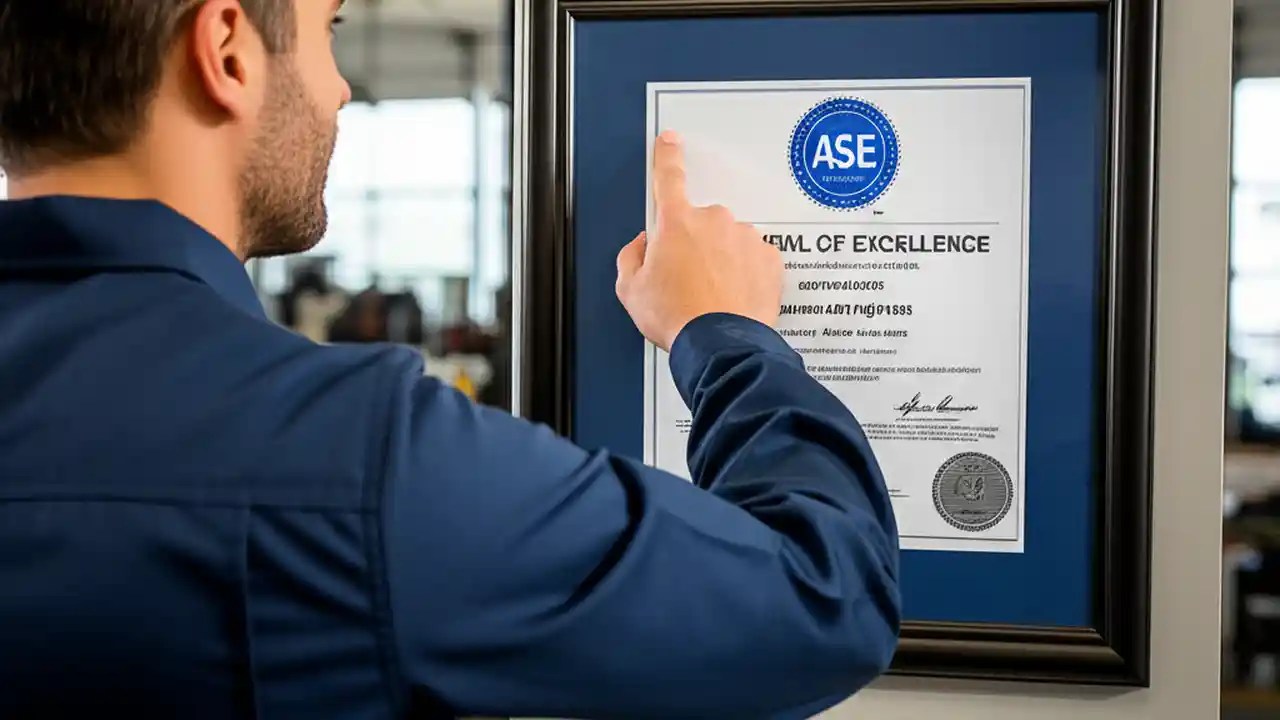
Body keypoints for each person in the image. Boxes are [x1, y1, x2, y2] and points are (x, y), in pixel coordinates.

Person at [0, 1, 900, 718]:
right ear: (228, 48)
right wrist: (725, 332)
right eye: (329, 31)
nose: (342, 88)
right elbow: (822, 600)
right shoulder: (356, 454)